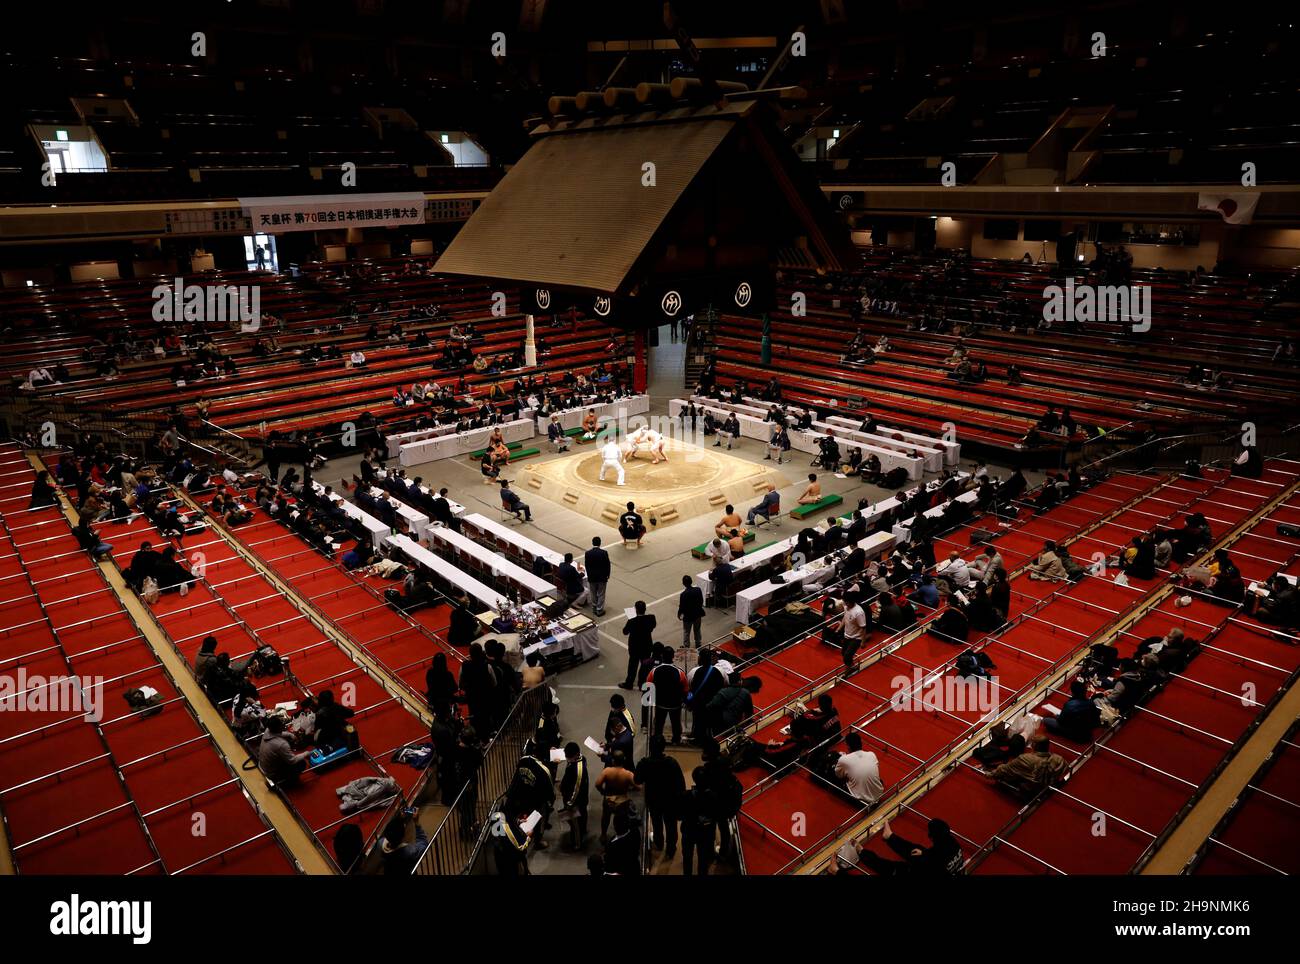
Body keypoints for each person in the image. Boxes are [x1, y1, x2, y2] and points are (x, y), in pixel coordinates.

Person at [854, 818, 963, 876]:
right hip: (937, 868)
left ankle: (862, 853)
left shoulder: (935, 860)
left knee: (890, 867)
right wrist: (923, 854)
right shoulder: (951, 842)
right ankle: (889, 837)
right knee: (917, 850)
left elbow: (931, 863)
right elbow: (934, 855)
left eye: (930, 835)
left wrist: (923, 856)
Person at [635, 736, 685, 860]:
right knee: (671, 825)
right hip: (670, 800)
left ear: (650, 748)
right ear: (663, 747)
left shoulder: (644, 763)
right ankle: (671, 849)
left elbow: (637, 780)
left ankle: (659, 843)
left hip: (653, 799)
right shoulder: (672, 763)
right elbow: (681, 784)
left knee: (656, 823)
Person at [983, 735, 1067, 795]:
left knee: (1002, 770)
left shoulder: (1025, 758)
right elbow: (1065, 769)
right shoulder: (1059, 758)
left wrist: (989, 774)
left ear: (1034, 745)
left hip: (1034, 789)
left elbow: (1005, 770)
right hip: (1049, 783)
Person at [832, 732, 884, 806]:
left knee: (836, 779)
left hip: (861, 800)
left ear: (848, 746)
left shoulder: (844, 759)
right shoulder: (871, 754)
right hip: (878, 795)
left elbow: (838, 775)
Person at [648, 647, 687, 744]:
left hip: (660, 703)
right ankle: (676, 740)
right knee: (676, 723)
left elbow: (648, 686)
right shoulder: (680, 672)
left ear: (662, 656)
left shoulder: (654, 671)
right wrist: (683, 700)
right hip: (675, 704)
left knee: (659, 724)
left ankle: (657, 741)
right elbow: (686, 689)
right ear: (673, 657)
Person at [595, 750, 636, 843]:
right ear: (624, 760)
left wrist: (603, 791)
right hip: (622, 800)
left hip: (609, 799)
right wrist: (628, 785)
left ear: (613, 761)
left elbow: (597, 784)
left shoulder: (607, 771)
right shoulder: (628, 774)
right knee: (621, 819)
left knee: (605, 817)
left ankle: (603, 835)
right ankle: (621, 836)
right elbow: (638, 786)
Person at [258, 716, 311, 785]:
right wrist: (305, 754)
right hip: (272, 774)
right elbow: (292, 760)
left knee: (286, 742)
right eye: (282, 723)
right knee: (301, 764)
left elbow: (278, 734)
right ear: (279, 727)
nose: (283, 724)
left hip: (262, 765)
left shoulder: (268, 730)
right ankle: (290, 782)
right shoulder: (281, 744)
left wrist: (290, 734)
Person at [558, 742, 590, 850]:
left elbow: (576, 789)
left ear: (576, 754)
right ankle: (583, 830)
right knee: (582, 818)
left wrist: (570, 803)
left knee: (575, 824)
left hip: (576, 801)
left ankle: (577, 844)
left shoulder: (578, 770)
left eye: (569, 757)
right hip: (577, 797)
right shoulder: (578, 760)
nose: (567, 759)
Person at [620, 600, 656, 689]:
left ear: (636, 610)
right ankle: (642, 684)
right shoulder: (651, 618)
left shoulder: (632, 621)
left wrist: (631, 619)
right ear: (645, 609)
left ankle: (629, 683)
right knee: (645, 666)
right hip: (646, 646)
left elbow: (625, 632)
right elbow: (653, 626)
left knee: (632, 666)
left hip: (635, 647)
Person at [840, 590, 870, 675]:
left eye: (847, 602)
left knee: (847, 655)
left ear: (852, 601)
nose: (846, 604)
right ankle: (851, 665)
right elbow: (845, 618)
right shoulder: (846, 607)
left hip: (856, 637)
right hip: (847, 634)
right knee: (843, 653)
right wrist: (838, 629)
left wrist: (863, 641)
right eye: (845, 602)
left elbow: (863, 627)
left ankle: (851, 668)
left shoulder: (859, 612)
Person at [583, 536, 611, 616]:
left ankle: (594, 607)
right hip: (602, 577)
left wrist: (589, 575)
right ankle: (599, 609)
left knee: (593, 593)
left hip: (592, 577)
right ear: (600, 543)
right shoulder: (604, 553)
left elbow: (587, 565)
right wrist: (607, 575)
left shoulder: (588, 553)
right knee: (601, 593)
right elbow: (607, 565)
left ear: (592, 543)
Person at [678, 574, 705, 648]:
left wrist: (679, 614)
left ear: (683, 583)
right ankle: (698, 643)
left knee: (686, 631)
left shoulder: (683, 594)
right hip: (697, 614)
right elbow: (701, 601)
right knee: (697, 630)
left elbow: (682, 607)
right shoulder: (698, 590)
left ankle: (687, 646)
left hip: (688, 616)